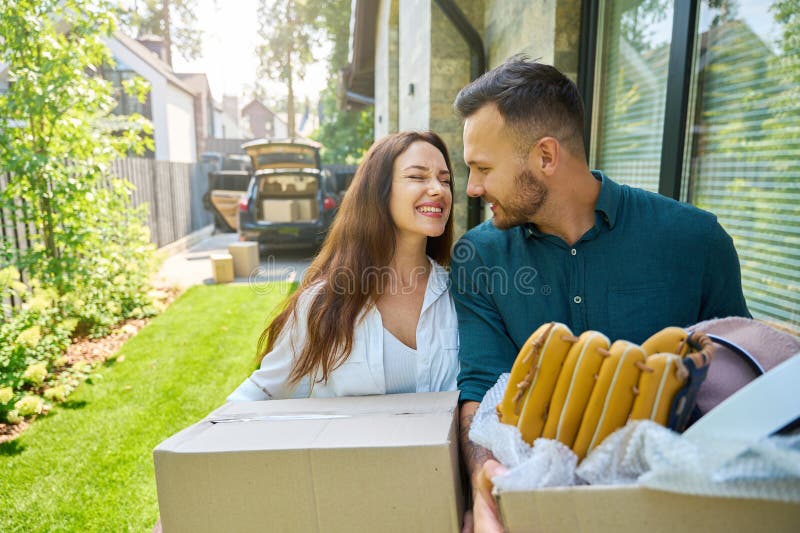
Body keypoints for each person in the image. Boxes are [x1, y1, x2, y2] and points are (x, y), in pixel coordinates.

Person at [449, 56, 751, 532]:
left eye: (483, 168)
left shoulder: (696, 241)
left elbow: (739, 389)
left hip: (673, 510)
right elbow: (481, 390)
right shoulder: (479, 258)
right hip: (537, 511)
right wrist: (484, 483)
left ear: (546, 157)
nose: (471, 188)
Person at [228, 131, 460, 401]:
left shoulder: (458, 295)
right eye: (417, 177)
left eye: (445, 180)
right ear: (379, 192)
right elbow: (258, 394)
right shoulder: (324, 303)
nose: (437, 189)